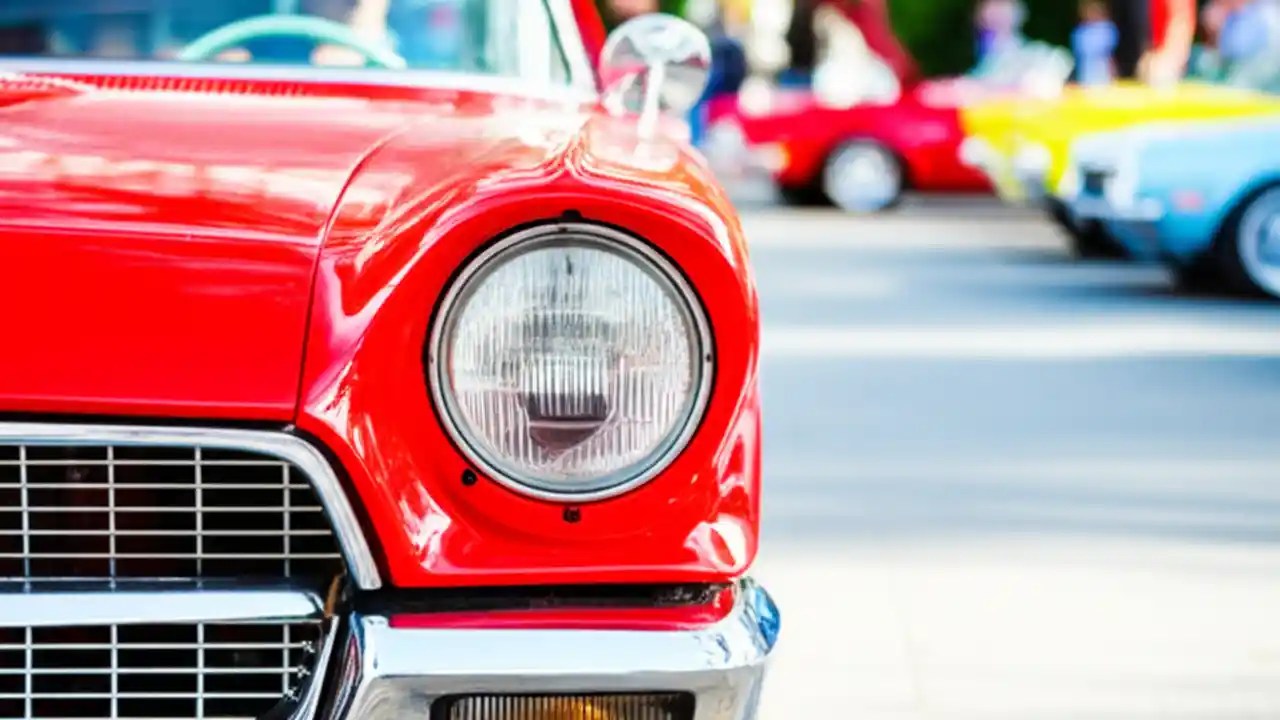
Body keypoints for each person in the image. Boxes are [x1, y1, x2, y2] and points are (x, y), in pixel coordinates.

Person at [1073, 0, 1119, 85]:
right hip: (1085, 74)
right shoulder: (1080, 32)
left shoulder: (1107, 29)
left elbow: (1110, 55)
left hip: (1103, 73)